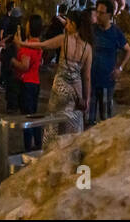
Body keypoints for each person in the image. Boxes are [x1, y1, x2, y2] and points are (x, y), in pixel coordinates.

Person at [25, 10, 91, 145]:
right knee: (73, 126)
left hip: (60, 87)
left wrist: (22, 44)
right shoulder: (88, 48)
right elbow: (87, 77)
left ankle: (51, 152)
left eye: (67, 24)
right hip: (76, 91)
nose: (66, 27)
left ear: (72, 24)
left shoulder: (64, 39)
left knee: (53, 123)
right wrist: (87, 99)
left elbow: (42, 45)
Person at [88, 0, 130, 126]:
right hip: (91, 80)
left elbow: (128, 50)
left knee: (106, 119)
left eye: (102, 13)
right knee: (88, 118)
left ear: (109, 15)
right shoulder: (92, 29)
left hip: (107, 81)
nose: (98, 15)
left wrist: (120, 68)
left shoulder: (116, 32)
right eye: (97, 12)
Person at [13, 15, 44, 152]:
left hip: (26, 83)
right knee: (34, 115)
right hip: (35, 82)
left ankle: (28, 147)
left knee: (27, 117)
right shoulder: (38, 44)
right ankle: (38, 143)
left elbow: (24, 66)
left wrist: (12, 61)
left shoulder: (28, 47)